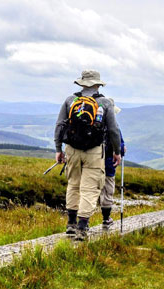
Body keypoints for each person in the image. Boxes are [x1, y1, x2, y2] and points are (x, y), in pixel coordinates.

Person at [55, 70, 122, 241]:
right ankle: (82, 227)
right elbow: (114, 131)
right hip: (94, 151)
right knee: (90, 188)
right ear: (98, 85)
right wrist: (116, 152)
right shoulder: (105, 103)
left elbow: (60, 125)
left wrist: (58, 149)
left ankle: (70, 223)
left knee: (73, 184)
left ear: (81, 84)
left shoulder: (70, 101)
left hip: (72, 149)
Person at [99, 99, 125, 230]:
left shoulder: (95, 124)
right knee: (108, 190)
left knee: (91, 189)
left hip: (93, 161)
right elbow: (120, 145)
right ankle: (106, 219)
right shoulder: (114, 126)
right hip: (109, 161)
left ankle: (82, 222)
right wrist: (121, 150)